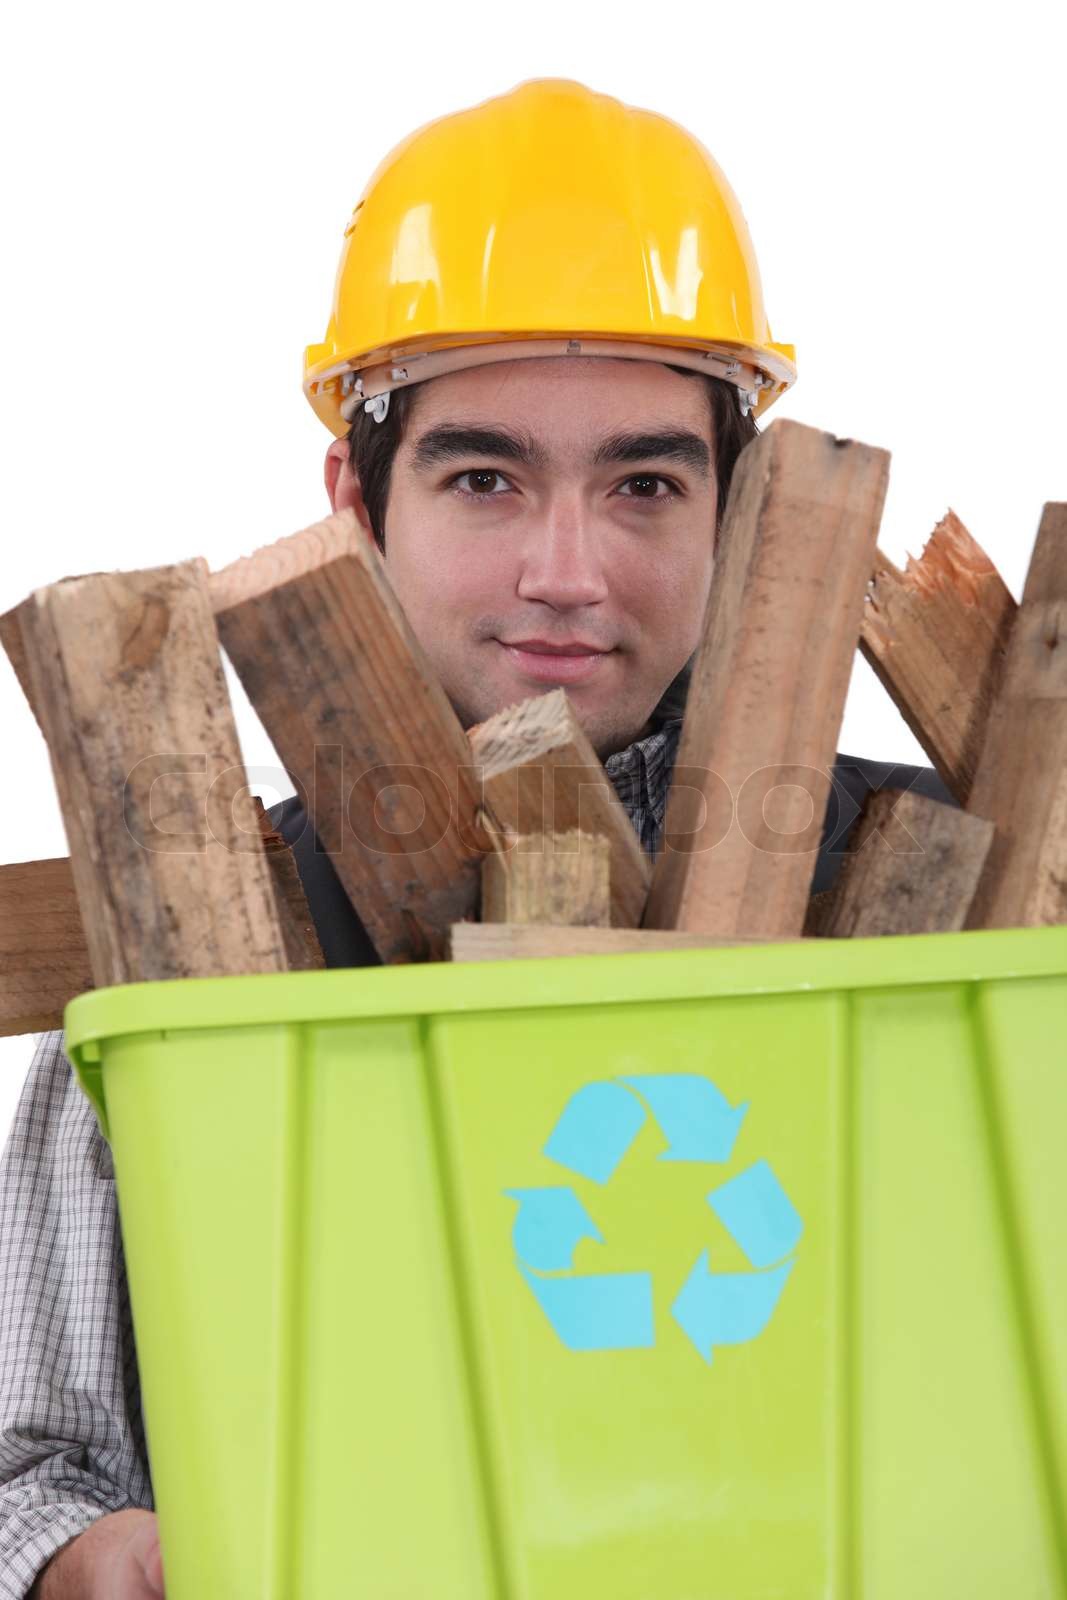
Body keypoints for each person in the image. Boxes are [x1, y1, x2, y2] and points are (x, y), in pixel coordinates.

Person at [0, 79, 954, 1599]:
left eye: (645, 482)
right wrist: (72, 1557)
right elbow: (21, 1472)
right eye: (485, 478)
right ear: (356, 499)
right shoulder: (198, 944)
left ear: (744, 511)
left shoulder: (962, 912)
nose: (566, 571)